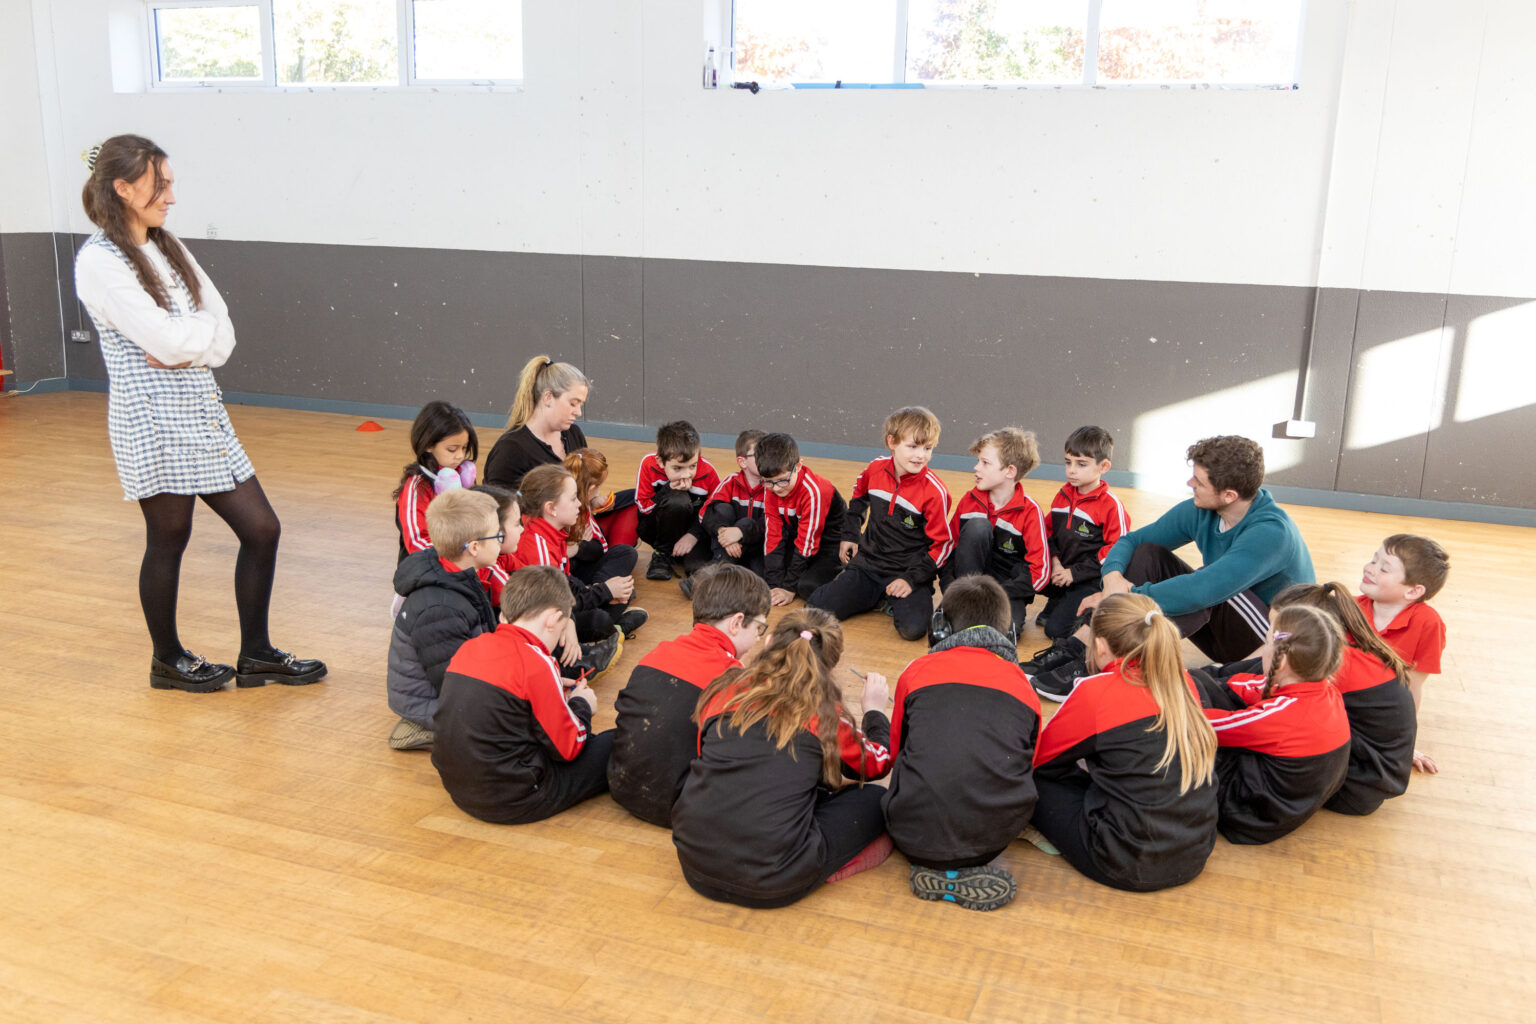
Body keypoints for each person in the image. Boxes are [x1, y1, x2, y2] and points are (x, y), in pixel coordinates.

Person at [74, 134, 324, 692]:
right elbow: (165, 341)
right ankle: (167, 658)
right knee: (169, 535)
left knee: (262, 529)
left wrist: (189, 344)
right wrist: (183, 343)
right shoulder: (99, 261)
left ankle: (256, 653)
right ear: (122, 187)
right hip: (151, 421)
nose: (170, 196)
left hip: (202, 413)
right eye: (159, 184)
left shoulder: (168, 245)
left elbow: (217, 330)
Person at [1027, 435, 1313, 701]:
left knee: (1204, 585)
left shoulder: (1271, 533)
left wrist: (1130, 595)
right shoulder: (1203, 509)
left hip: (1270, 644)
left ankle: (1106, 663)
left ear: (1228, 495)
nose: (1191, 484)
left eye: (1199, 481)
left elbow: (1204, 590)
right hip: (1221, 620)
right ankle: (1081, 647)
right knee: (1148, 554)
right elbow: (1132, 540)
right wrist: (1113, 579)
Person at [671, 610, 894, 908]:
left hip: (694, 864)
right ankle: (833, 866)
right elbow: (877, 764)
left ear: (770, 642)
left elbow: (704, 753)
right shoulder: (824, 714)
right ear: (830, 665)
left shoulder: (725, 689)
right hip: (774, 882)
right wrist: (875, 713)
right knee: (876, 798)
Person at [1029, 594, 1219, 891]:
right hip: (1195, 850)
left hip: (1124, 861)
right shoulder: (1183, 681)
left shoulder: (1097, 692)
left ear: (1100, 645)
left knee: (1031, 778)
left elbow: (1040, 759)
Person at [885, 576, 1039, 911]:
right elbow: (1029, 763)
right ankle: (961, 870)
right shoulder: (1025, 688)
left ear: (938, 627)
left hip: (911, 834)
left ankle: (928, 864)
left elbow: (895, 753)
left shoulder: (916, 671)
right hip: (993, 841)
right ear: (1008, 635)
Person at [431, 566, 615, 825]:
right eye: (563, 628)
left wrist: (551, 689)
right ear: (553, 619)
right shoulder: (537, 662)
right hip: (515, 800)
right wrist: (582, 705)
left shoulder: (471, 647)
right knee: (613, 742)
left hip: (458, 789)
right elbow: (569, 748)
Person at [607, 564, 771, 827]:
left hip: (622, 787)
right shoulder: (732, 675)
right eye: (758, 629)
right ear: (737, 622)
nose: (756, 640)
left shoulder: (658, 652)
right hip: (680, 806)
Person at [1202, 604, 1351, 845]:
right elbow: (1253, 687)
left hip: (1248, 817)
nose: (1262, 651)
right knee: (1206, 685)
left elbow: (1207, 726)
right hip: (1288, 807)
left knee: (1182, 719)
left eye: (1267, 642)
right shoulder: (1327, 692)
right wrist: (1219, 684)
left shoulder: (1282, 716)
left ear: (1281, 662)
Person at [807, 407, 954, 642]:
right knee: (815, 608)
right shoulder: (875, 469)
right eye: (913, 446)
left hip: (908, 571)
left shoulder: (935, 492)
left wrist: (911, 579)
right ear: (892, 442)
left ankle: (892, 596)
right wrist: (850, 534)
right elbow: (858, 497)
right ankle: (877, 596)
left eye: (928, 448)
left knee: (913, 630)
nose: (921, 455)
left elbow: (943, 546)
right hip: (868, 564)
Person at [1268, 583, 1415, 816]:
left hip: (1356, 787)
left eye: (1275, 634)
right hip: (1371, 779)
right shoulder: (1341, 648)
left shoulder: (1336, 666)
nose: (1269, 641)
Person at [386, 489, 505, 752]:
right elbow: (453, 681)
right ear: (474, 548)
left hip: (443, 683)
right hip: (426, 701)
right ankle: (425, 726)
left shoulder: (458, 573)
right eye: (497, 535)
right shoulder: (439, 608)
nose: (501, 541)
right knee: (511, 720)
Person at [483, 355, 638, 545]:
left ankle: (600, 548)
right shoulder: (511, 449)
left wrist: (594, 498)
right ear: (548, 397)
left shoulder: (573, 434)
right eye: (573, 403)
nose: (578, 413)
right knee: (617, 553)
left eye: (581, 405)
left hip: (574, 521)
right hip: (541, 537)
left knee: (636, 497)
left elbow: (583, 481)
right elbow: (498, 514)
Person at [515, 465, 643, 672]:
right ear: (551, 508)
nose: (580, 504)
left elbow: (566, 582)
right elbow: (553, 603)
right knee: (598, 618)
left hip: (558, 601)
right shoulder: (536, 545)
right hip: (542, 614)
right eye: (573, 498)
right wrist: (604, 591)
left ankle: (611, 624)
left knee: (622, 578)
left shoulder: (550, 531)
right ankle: (613, 630)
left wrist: (599, 589)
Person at [932, 427, 1048, 644]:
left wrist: (993, 596)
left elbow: (1039, 574)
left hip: (1005, 591)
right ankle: (961, 608)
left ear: (1010, 471)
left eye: (985, 463)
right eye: (978, 461)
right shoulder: (969, 500)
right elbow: (948, 550)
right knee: (977, 527)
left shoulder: (1031, 512)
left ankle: (971, 615)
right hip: (967, 584)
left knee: (1001, 636)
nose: (976, 467)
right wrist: (952, 591)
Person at [1358, 534, 1449, 774]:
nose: (1370, 568)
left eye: (1384, 568)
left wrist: (1405, 745)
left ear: (1413, 591)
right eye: (1373, 560)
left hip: (1378, 713)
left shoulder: (1428, 624)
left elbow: (1412, 687)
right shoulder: (1349, 608)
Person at [1035, 425, 1129, 640]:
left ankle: (1085, 611)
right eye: (1068, 462)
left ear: (1103, 466)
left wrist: (1074, 574)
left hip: (1088, 579)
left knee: (1055, 632)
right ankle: (1058, 601)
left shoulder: (1111, 505)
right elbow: (1047, 532)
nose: (1072, 470)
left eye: (1081, 464)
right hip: (1061, 572)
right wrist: (1056, 562)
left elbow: (1117, 551)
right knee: (1023, 570)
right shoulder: (1063, 495)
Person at [757, 432, 847, 606]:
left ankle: (846, 572)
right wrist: (774, 585)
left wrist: (789, 588)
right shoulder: (772, 488)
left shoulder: (814, 491)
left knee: (807, 587)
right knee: (762, 575)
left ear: (798, 466)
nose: (775, 488)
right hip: (800, 537)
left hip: (829, 545)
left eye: (782, 480)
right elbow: (773, 535)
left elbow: (808, 543)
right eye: (768, 482)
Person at [636, 420, 721, 585]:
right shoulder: (648, 464)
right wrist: (667, 489)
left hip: (692, 530)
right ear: (661, 462)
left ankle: (686, 558)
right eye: (677, 468)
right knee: (677, 500)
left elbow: (714, 511)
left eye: (692, 466)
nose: (686, 474)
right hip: (656, 528)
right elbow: (643, 508)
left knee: (695, 567)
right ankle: (662, 555)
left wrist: (693, 535)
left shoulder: (708, 472)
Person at [393, 400, 479, 564]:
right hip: (427, 572)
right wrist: (459, 556)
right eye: (452, 449)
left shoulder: (464, 476)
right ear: (428, 445)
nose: (460, 456)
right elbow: (417, 542)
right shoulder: (416, 487)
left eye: (464, 448)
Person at [699, 429, 767, 582]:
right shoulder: (731, 481)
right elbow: (705, 513)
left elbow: (770, 524)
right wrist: (724, 534)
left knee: (759, 578)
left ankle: (720, 573)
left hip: (756, 545)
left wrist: (741, 533)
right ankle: (707, 580)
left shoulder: (773, 486)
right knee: (721, 509)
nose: (766, 459)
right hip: (727, 547)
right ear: (742, 462)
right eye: (759, 454)